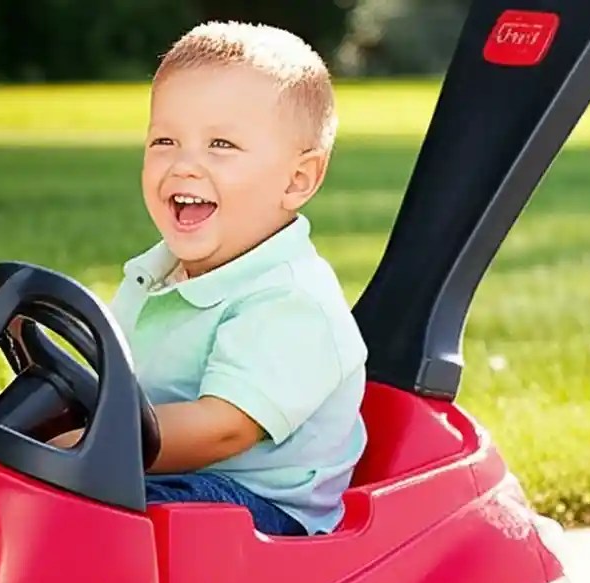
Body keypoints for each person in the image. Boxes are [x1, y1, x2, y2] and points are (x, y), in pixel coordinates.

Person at [53, 21, 367, 536]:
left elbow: (223, 429)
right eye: (165, 141)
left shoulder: (290, 297)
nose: (184, 166)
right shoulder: (156, 274)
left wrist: (90, 445)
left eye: (220, 144)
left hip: (261, 513)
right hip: (174, 474)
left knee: (93, 513)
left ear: (298, 179)